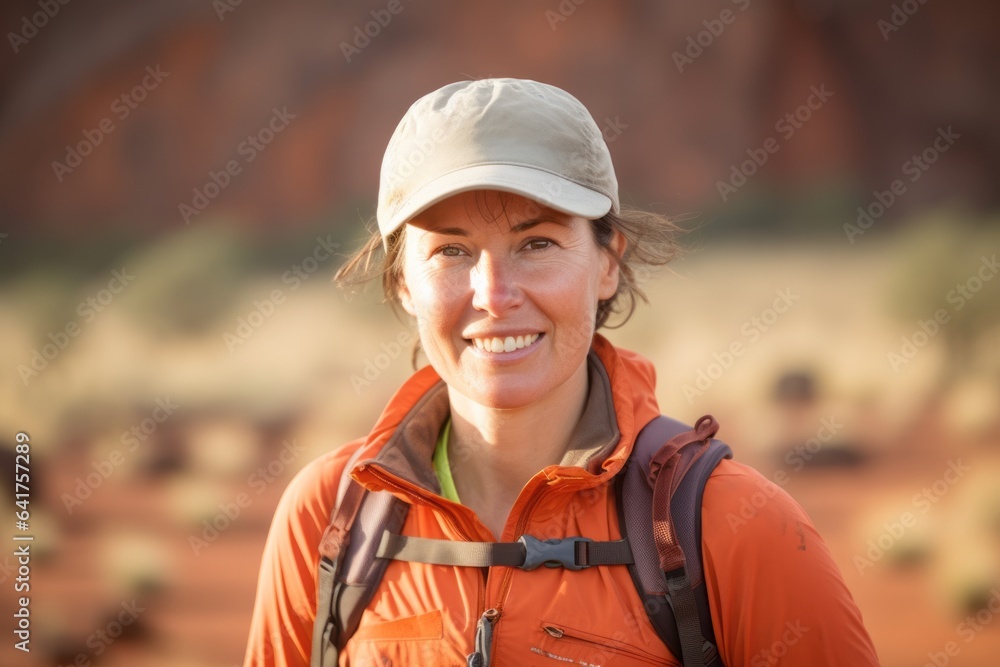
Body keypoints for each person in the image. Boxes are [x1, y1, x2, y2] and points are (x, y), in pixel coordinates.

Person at [244, 78, 880, 666]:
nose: (494, 295)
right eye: (450, 250)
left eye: (537, 243)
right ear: (404, 283)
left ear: (607, 263)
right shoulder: (329, 517)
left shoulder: (732, 524)